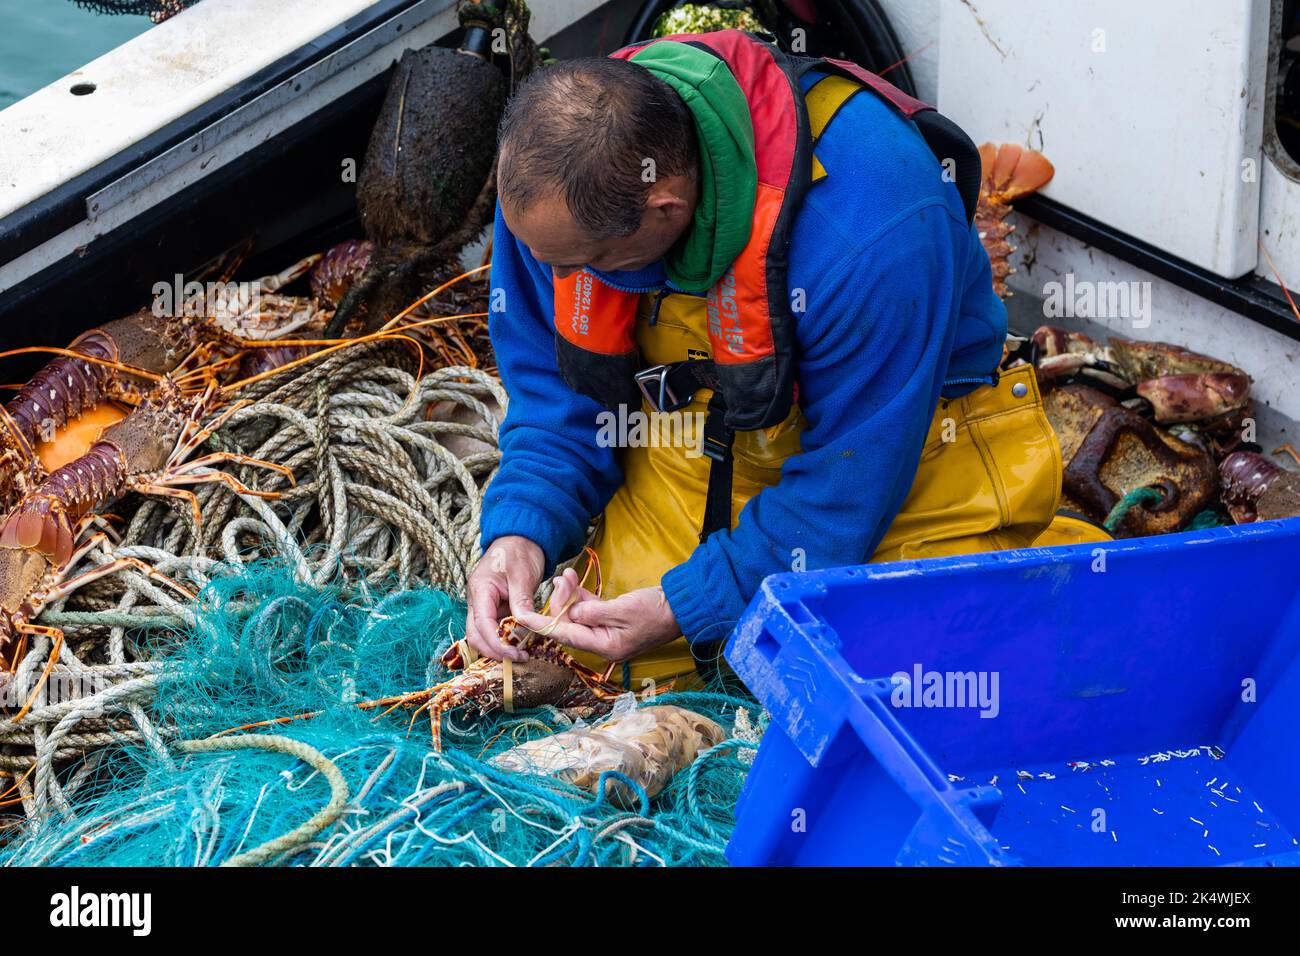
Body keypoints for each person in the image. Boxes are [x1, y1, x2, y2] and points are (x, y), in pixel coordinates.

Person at [462, 30, 1066, 687]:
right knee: (563, 666)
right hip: (694, 449)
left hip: (907, 466)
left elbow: (846, 494)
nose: (564, 277)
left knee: (909, 694)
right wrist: (517, 536)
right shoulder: (554, 196)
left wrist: (685, 602)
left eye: (591, 265)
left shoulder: (875, 228)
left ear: (665, 209)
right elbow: (557, 401)